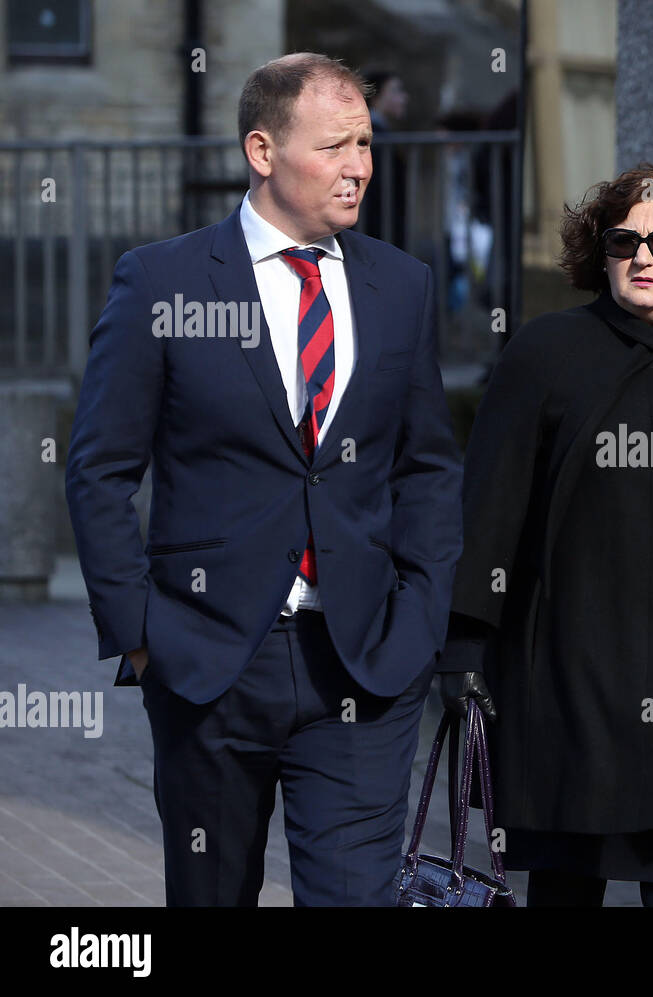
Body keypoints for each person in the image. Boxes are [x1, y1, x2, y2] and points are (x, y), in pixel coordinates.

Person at [64, 53, 463, 906]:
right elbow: (99, 468)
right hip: (207, 664)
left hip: (364, 665)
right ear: (262, 150)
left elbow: (427, 464)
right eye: (335, 146)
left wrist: (422, 613)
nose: (360, 165)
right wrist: (140, 632)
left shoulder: (402, 284)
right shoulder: (163, 280)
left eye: (364, 142)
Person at [438, 164, 653, 907]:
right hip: (567, 681)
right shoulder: (547, 350)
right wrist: (463, 648)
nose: (643, 257)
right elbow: (490, 507)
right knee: (564, 886)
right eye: (624, 239)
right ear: (601, 252)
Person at [360, 67, 409, 248]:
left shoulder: (380, 134)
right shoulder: (371, 136)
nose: (404, 98)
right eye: (396, 91)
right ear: (376, 97)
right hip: (377, 229)